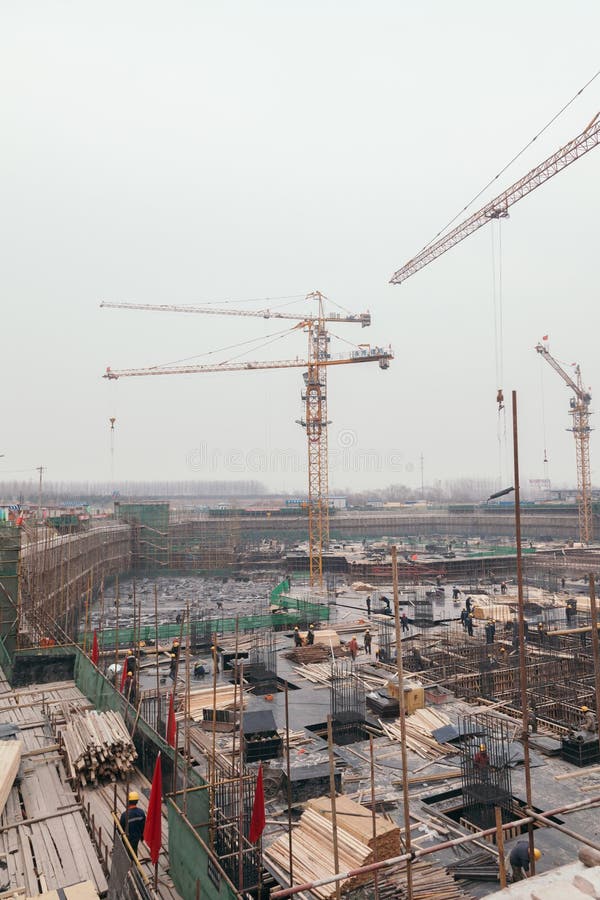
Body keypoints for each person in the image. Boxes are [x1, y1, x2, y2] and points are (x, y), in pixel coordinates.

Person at [120, 791, 146, 857]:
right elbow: (143, 826)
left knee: (127, 853)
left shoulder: (124, 815)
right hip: (136, 837)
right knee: (134, 851)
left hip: (127, 838)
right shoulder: (141, 813)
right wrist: (142, 836)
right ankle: (134, 863)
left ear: (128, 801)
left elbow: (120, 829)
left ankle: (130, 864)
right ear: (137, 801)